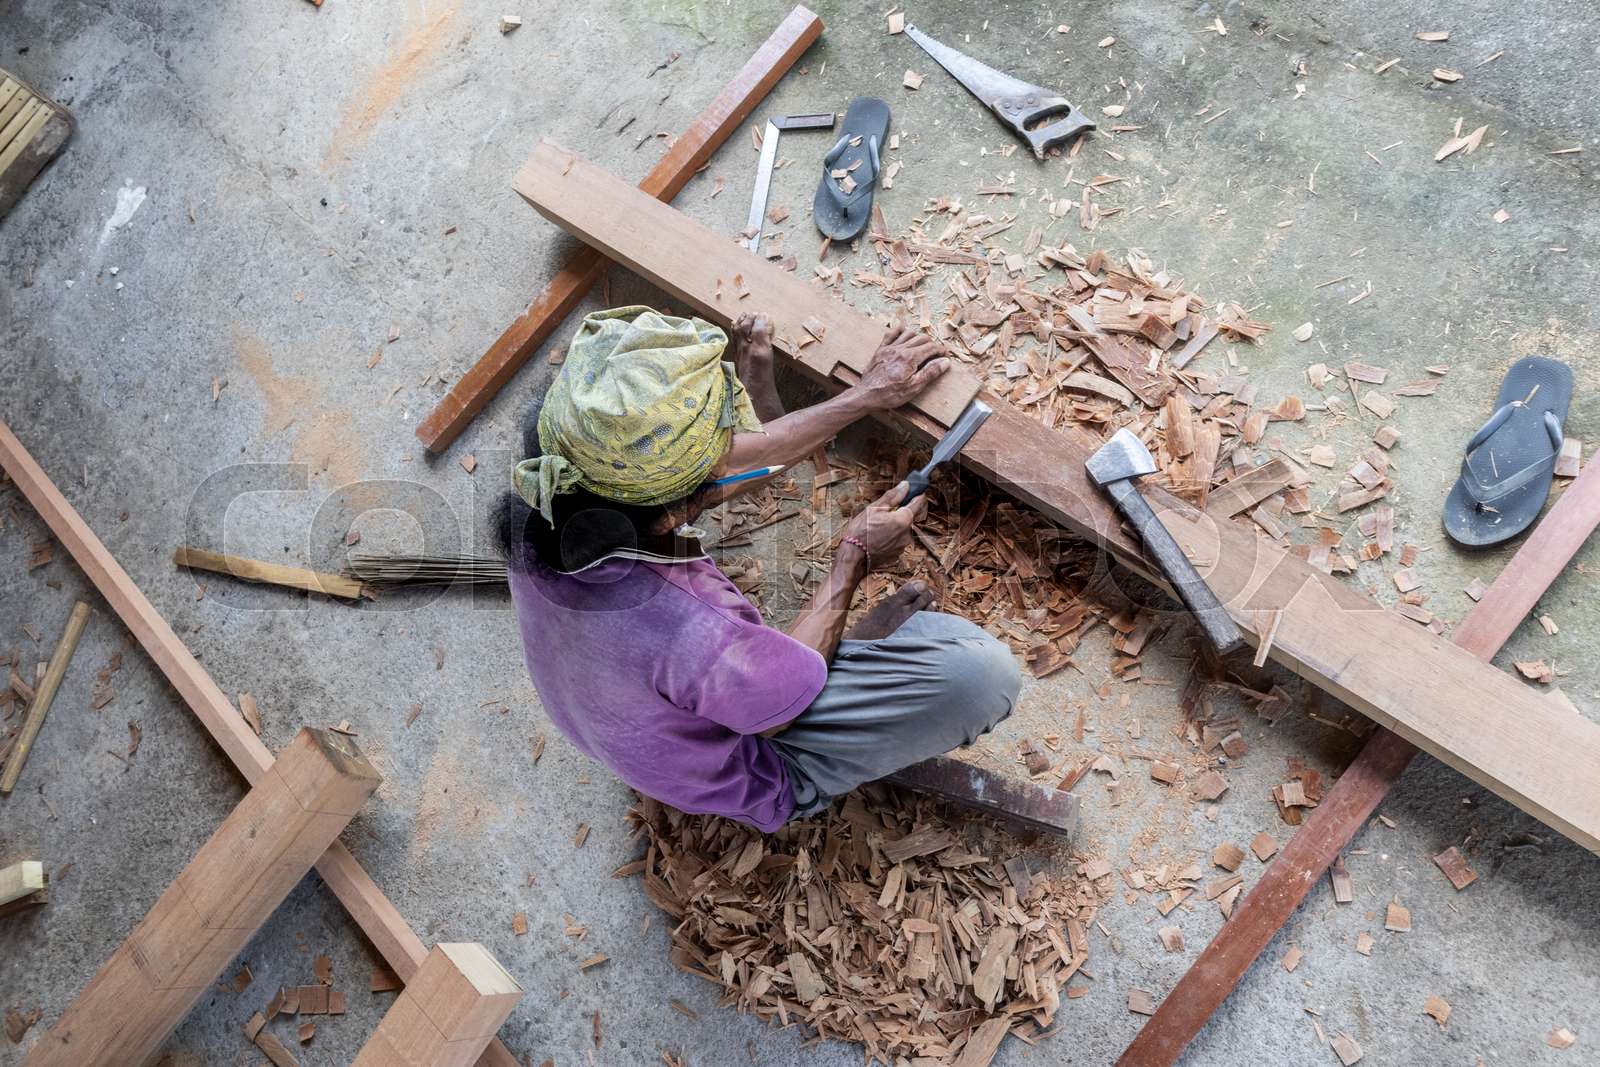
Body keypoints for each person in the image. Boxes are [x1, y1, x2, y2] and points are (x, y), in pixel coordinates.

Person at [494, 305, 1021, 832]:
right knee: (981, 675)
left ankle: (818, 651)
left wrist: (865, 395)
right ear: (675, 512)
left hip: (616, 717)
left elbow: (737, 469)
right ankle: (828, 658)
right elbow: (779, 719)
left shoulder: (551, 496)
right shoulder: (692, 626)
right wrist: (853, 559)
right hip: (747, 761)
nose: (739, 449)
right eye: (725, 446)